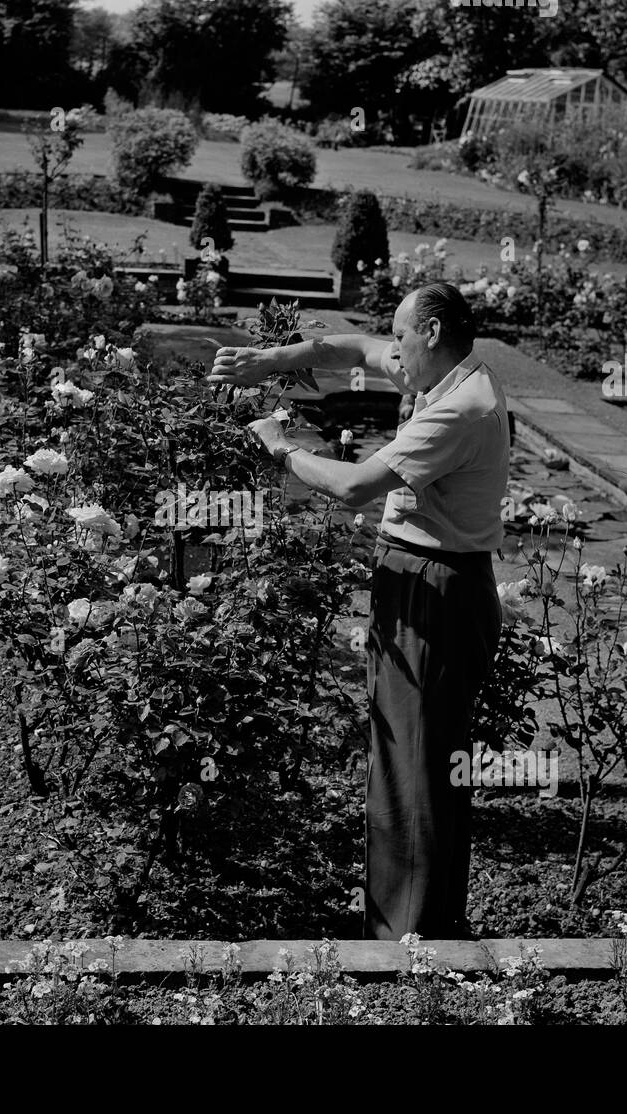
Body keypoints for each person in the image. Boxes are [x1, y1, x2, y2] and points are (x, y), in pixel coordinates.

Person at [206, 282, 508, 939]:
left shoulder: (462, 407)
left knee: (415, 761)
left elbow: (351, 487)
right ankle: (426, 921)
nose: (391, 346)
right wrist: (269, 360)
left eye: (401, 333)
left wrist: (280, 446)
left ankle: (409, 934)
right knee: (422, 756)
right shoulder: (447, 368)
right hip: (431, 581)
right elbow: (354, 346)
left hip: (436, 589)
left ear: (430, 332)